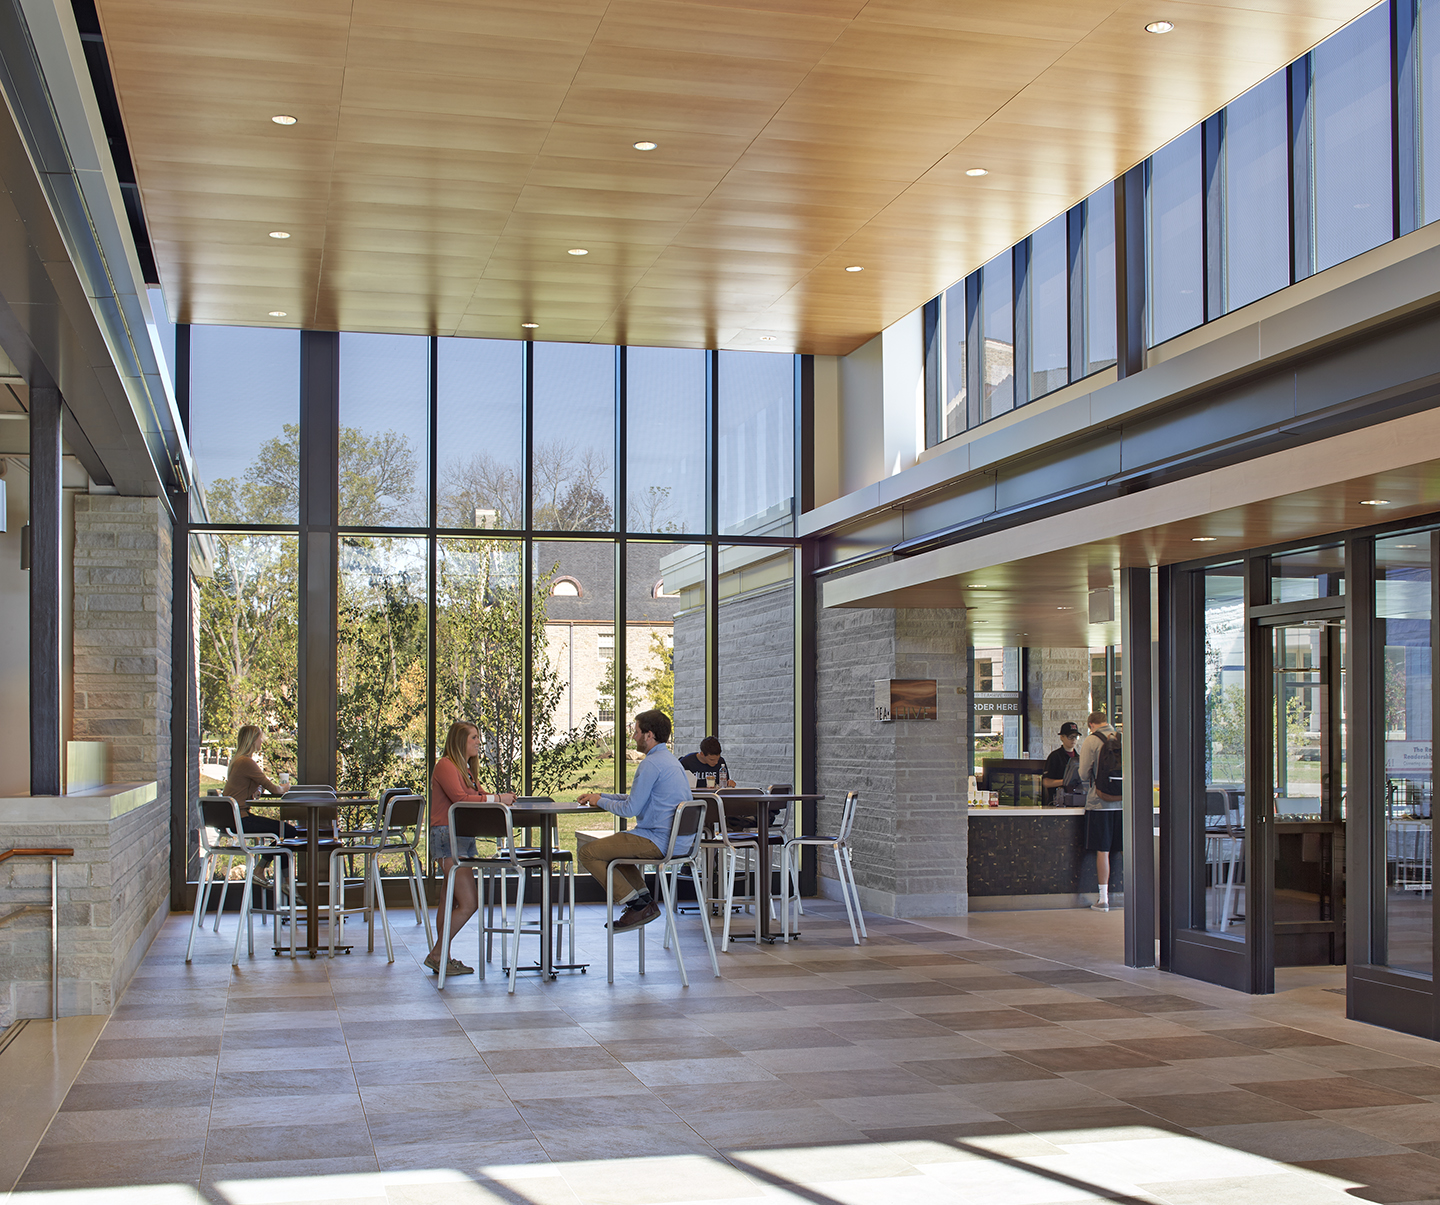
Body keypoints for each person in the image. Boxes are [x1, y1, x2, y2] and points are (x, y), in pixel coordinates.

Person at [577, 709, 692, 931]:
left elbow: (630, 809)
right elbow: (637, 798)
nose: (634, 737)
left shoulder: (650, 764)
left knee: (588, 852)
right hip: (678, 840)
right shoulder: (669, 760)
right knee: (614, 852)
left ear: (649, 735)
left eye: (637, 732)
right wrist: (601, 797)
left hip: (658, 840)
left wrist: (600, 802)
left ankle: (637, 905)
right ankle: (643, 902)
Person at [425, 720, 515, 976]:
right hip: (448, 836)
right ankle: (438, 953)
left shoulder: (464, 769)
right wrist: (498, 799)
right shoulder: (446, 765)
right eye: (473, 737)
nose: (478, 742)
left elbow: (478, 795)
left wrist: (499, 798)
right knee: (468, 902)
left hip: (460, 837)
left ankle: (442, 957)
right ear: (460, 741)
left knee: (448, 897)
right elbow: (461, 799)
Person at [1077, 710, 1123, 911]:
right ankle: (1132, 894)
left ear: (1091, 725)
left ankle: (1103, 900)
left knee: (1102, 852)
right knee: (1123, 850)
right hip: (1124, 803)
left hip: (1100, 803)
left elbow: (1083, 773)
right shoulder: (1122, 738)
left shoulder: (1091, 741)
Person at [222, 725, 296, 838]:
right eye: (260, 738)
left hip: (230, 820)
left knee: (285, 830)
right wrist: (285, 788)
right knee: (288, 831)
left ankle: (270, 855)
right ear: (252, 740)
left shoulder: (238, 761)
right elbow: (274, 790)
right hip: (240, 820)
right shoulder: (246, 762)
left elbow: (251, 784)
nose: (262, 741)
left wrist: (258, 789)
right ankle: (268, 856)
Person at [1041, 722, 1082, 806]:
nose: (1073, 739)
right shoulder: (1055, 757)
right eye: (1070, 737)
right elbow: (1046, 782)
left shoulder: (1079, 758)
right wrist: (1065, 782)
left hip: (1075, 800)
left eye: (1076, 737)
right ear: (1062, 737)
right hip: (1057, 802)